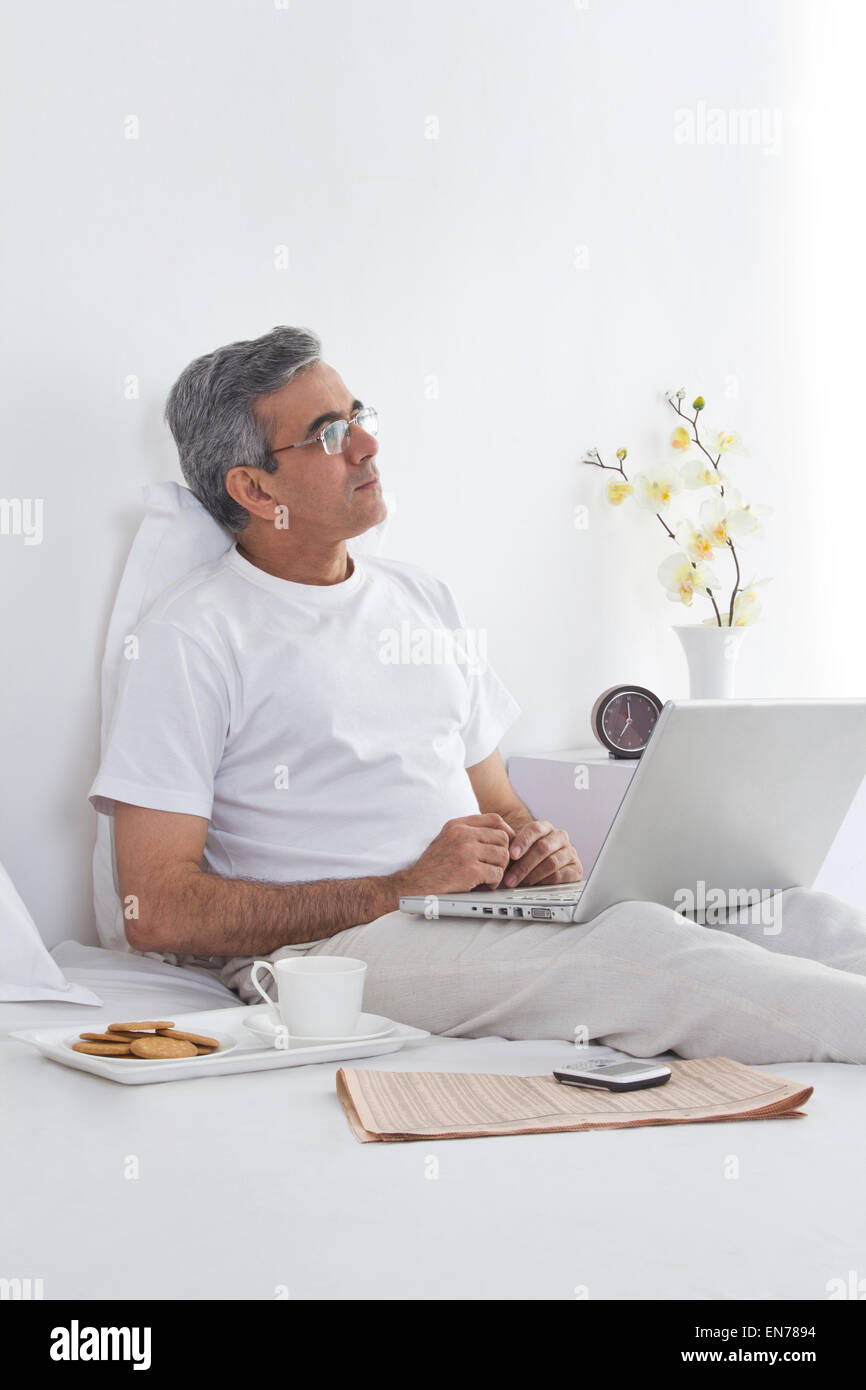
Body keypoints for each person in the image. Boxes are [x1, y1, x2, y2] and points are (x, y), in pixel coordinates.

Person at [89, 325, 866, 1066]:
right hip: (334, 954)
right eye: (330, 434)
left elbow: (497, 803)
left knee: (787, 912)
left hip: (463, 910)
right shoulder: (191, 638)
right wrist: (396, 889)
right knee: (639, 952)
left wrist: (537, 850)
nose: (367, 444)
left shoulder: (422, 601)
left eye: (358, 416)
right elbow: (154, 909)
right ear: (255, 488)